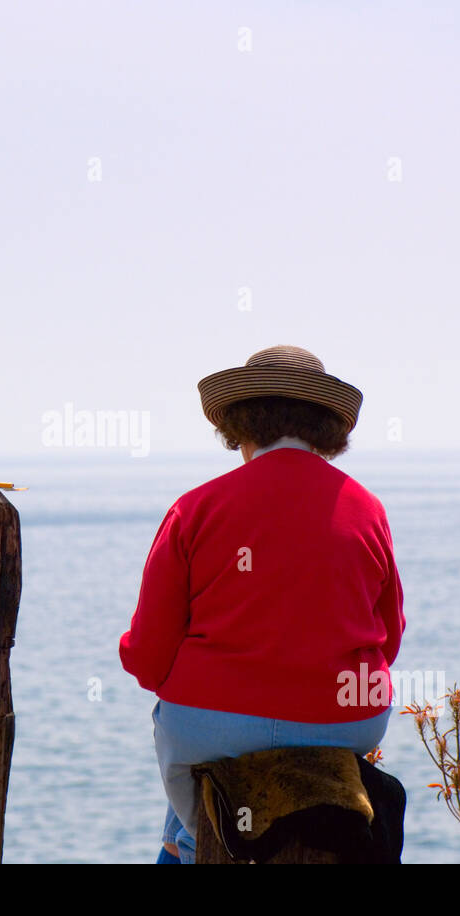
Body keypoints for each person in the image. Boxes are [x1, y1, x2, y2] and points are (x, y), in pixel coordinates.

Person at [119, 345, 405, 863]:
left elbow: (147, 655)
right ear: (327, 429)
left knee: (192, 788)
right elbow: (390, 635)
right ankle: (187, 839)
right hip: (346, 720)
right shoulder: (367, 510)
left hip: (214, 722)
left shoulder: (196, 507)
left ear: (239, 423)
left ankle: (189, 843)